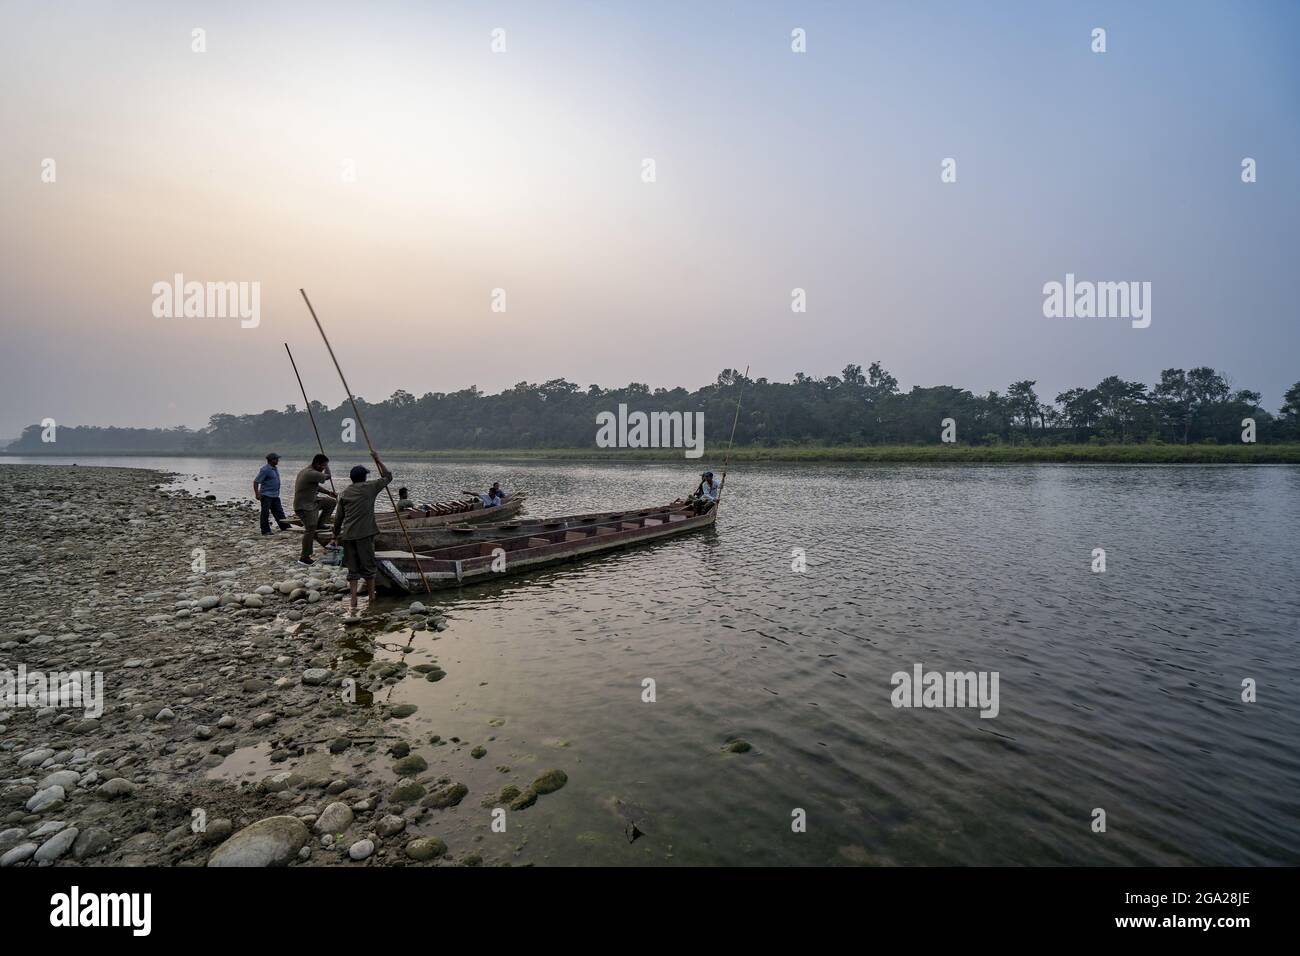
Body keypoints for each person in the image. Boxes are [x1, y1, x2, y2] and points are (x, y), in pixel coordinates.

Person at [331, 455, 393, 616]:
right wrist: (378, 459)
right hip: (365, 535)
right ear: (364, 477)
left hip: (348, 535)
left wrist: (335, 535)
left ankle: (353, 601)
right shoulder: (369, 487)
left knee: (353, 569)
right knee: (369, 567)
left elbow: (338, 519)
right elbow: (388, 476)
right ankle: (372, 598)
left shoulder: (344, 493)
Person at [293, 454, 337, 565]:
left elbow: (315, 486)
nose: (323, 468)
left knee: (331, 502)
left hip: (313, 501)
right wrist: (327, 466)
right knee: (310, 528)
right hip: (303, 506)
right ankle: (304, 557)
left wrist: (328, 493)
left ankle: (320, 524)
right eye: (323, 465)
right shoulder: (309, 473)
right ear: (317, 464)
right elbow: (328, 476)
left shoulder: (312, 472)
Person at [253, 453, 292, 534]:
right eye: (276, 459)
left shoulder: (275, 468)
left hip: (275, 495)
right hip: (266, 495)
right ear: (271, 460)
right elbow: (256, 481)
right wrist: (257, 494)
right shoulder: (265, 469)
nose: (278, 461)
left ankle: (285, 527)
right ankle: (265, 530)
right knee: (265, 513)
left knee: (279, 512)